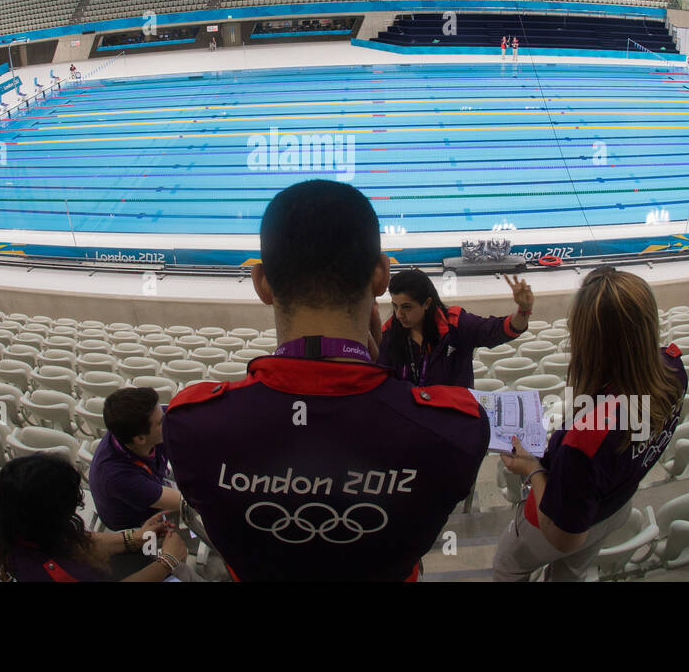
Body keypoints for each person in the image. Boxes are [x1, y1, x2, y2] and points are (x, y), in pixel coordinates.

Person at [163, 179, 490, 581]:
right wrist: (379, 377)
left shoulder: (190, 425)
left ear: (262, 283)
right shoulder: (456, 428)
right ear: (381, 276)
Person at [492, 267, 687, 581]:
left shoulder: (586, 439)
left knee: (507, 567)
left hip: (557, 523)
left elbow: (563, 537)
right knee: (571, 571)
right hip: (617, 507)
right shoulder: (675, 369)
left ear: (585, 340)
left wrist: (531, 468)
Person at [0, 453, 187, 582]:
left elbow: (71, 540)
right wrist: (167, 561)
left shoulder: (2, 522)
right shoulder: (55, 574)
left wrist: (135, 537)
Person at [373, 268, 533, 388]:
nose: (399, 314)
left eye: (406, 307)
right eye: (395, 306)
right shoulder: (388, 334)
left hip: (453, 419)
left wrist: (524, 310)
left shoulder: (456, 324)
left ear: (427, 303)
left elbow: (499, 330)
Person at [88, 387, 182, 532]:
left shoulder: (133, 426)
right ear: (140, 439)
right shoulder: (118, 476)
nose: (167, 419)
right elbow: (183, 502)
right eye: (161, 422)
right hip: (135, 525)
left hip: (152, 484)